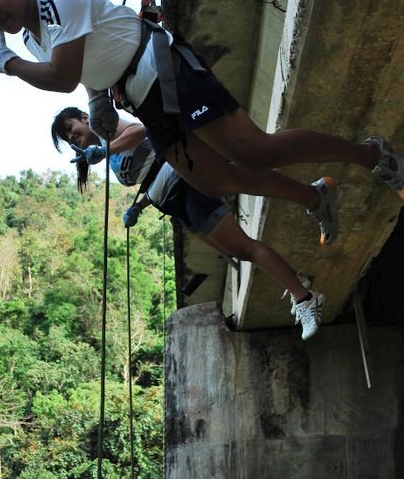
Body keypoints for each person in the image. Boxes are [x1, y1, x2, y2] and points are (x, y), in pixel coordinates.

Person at [0, 0, 404, 254]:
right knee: (215, 178)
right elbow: (87, 69)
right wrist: (96, 103)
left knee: (254, 151)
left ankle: (372, 154)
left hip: (164, 69)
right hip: (144, 100)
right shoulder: (33, 36)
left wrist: (9, 66)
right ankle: (315, 195)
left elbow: (62, 75)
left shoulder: (57, 3)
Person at [51, 107, 324, 339]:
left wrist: (105, 147)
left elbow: (140, 131)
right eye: (67, 137)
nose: (72, 136)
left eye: (70, 128)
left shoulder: (107, 130)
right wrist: (138, 206)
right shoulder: (108, 156)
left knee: (245, 247)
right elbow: (150, 175)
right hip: (174, 202)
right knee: (236, 251)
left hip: (187, 182)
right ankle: (293, 278)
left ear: (85, 118)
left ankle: (304, 296)